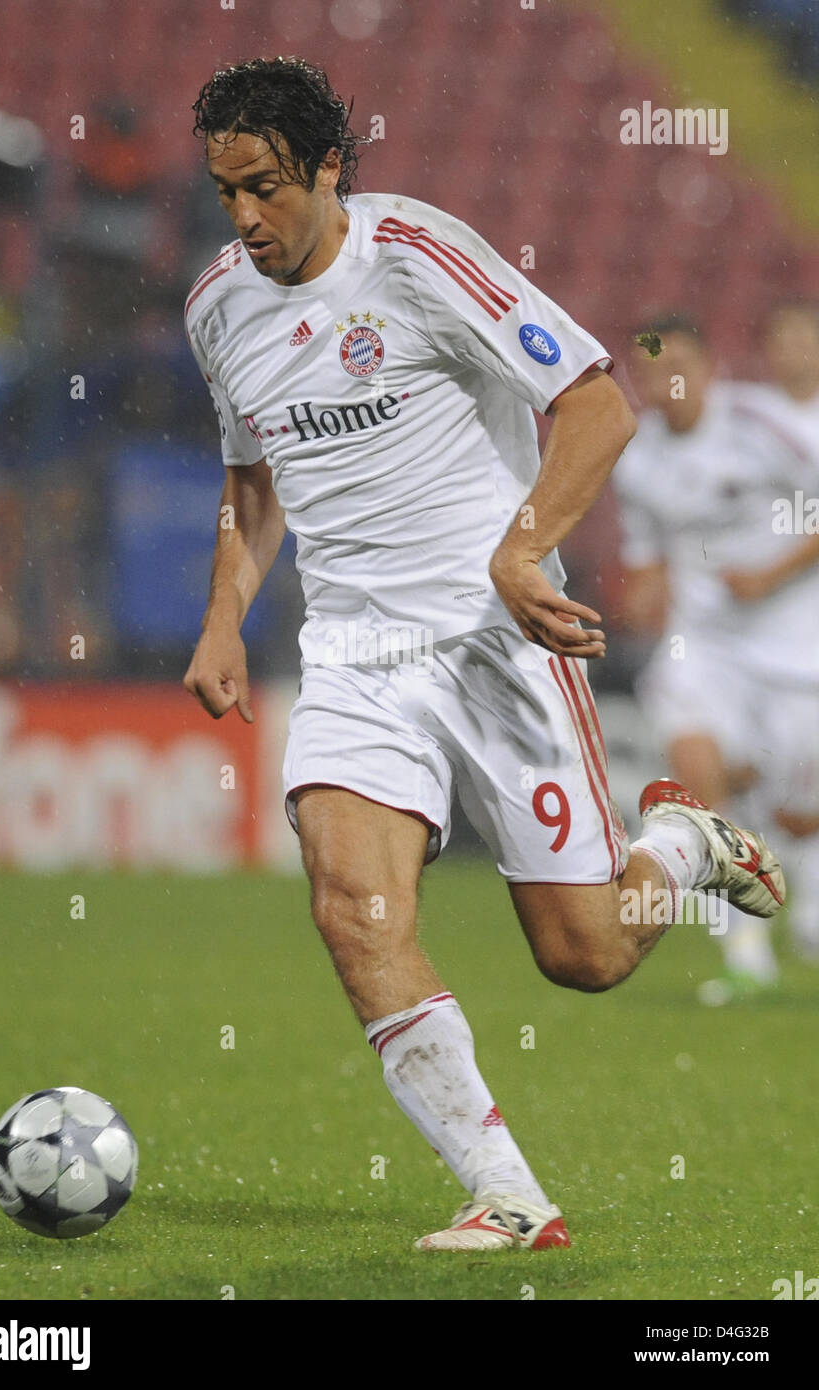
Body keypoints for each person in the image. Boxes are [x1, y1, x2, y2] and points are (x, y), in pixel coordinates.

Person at [183, 60, 784, 1250]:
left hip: (496, 640)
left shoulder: (415, 256)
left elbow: (597, 402)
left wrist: (522, 554)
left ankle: (678, 839)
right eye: (224, 193)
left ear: (329, 170)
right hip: (353, 653)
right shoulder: (215, 307)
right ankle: (507, 1192)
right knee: (354, 909)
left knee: (588, 955)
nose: (244, 219)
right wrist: (221, 615)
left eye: (264, 189)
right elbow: (253, 480)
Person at [615, 313, 819, 1004]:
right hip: (701, 641)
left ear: (708, 370)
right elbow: (645, 552)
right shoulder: (637, 457)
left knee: (798, 803)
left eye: (676, 368)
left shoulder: (763, 427)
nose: (662, 384)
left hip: (793, 638)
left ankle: (794, 864)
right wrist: (643, 592)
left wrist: (772, 574)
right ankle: (745, 949)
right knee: (699, 772)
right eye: (646, 372)